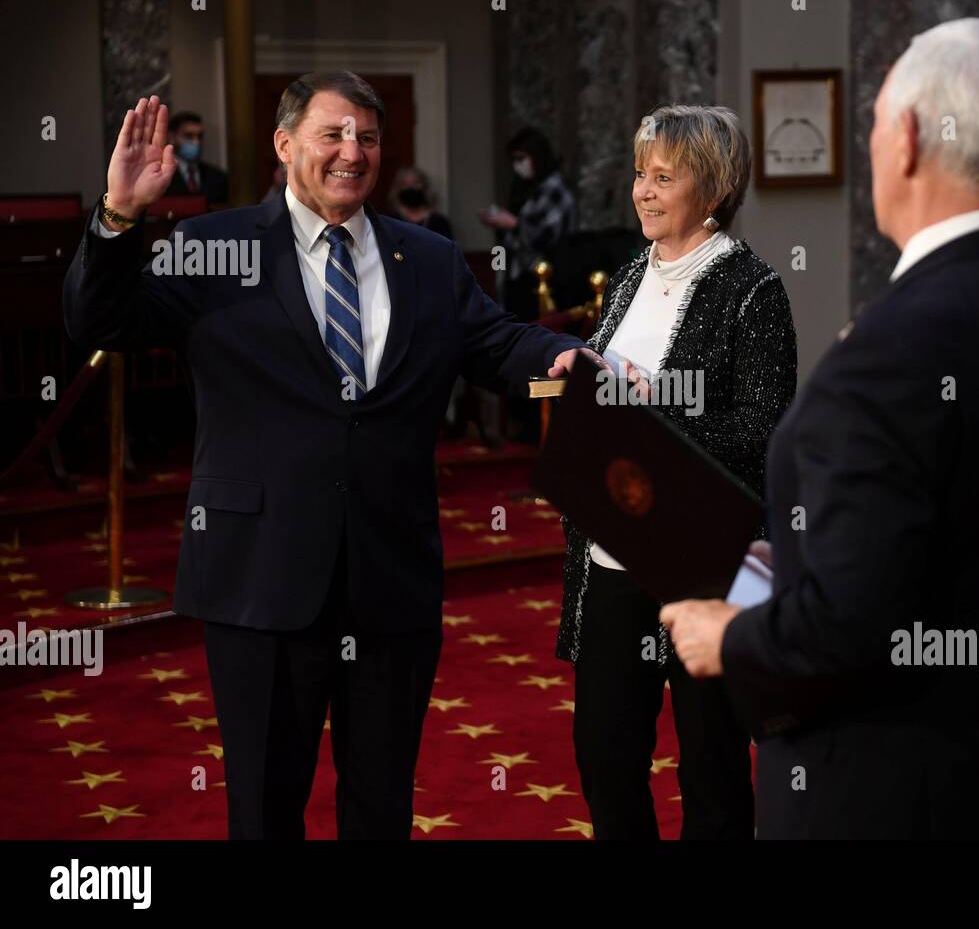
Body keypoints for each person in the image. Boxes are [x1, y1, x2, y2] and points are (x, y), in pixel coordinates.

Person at [64, 73, 595, 839]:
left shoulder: (431, 260)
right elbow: (96, 321)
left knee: (380, 808)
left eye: (369, 138)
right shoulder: (217, 248)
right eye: (334, 134)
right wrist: (119, 215)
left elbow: (501, 343)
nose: (354, 153)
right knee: (266, 807)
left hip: (390, 583)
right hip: (260, 582)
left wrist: (567, 356)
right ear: (285, 145)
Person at [662, 19, 979, 839]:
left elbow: (847, 629)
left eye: (876, 121)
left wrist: (731, 637)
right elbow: (975, 538)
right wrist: (802, 554)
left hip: (888, 798)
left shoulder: (888, 353)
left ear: (908, 137)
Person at [556, 105, 798, 839]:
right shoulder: (627, 278)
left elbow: (766, 432)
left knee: (713, 773)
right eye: (640, 174)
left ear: (715, 188)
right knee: (604, 758)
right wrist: (582, 382)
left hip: (704, 566)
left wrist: (654, 410)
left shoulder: (753, 289)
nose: (643, 191)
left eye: (665, 176)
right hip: (609, 555)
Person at [478, 127, 576, 320]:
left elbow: (547, 238)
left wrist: (514, 224)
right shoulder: (525, 188)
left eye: (521, 159)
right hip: (517, 275)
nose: (518, 166)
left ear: (537, 157)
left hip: (547, 278)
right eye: (514, 160)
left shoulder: (555, 189)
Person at [165, 110, 229, 204]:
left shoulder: (218, 177)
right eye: (188, 136)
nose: (196, 142)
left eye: (200, 136)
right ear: (172, 138)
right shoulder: (163, 177)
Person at [388, 165, 453, 240]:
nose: (410, 187)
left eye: (415, 183)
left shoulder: (440, 222)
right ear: (397, 189)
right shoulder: (390, 221)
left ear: (424, 186)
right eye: (404, 184)